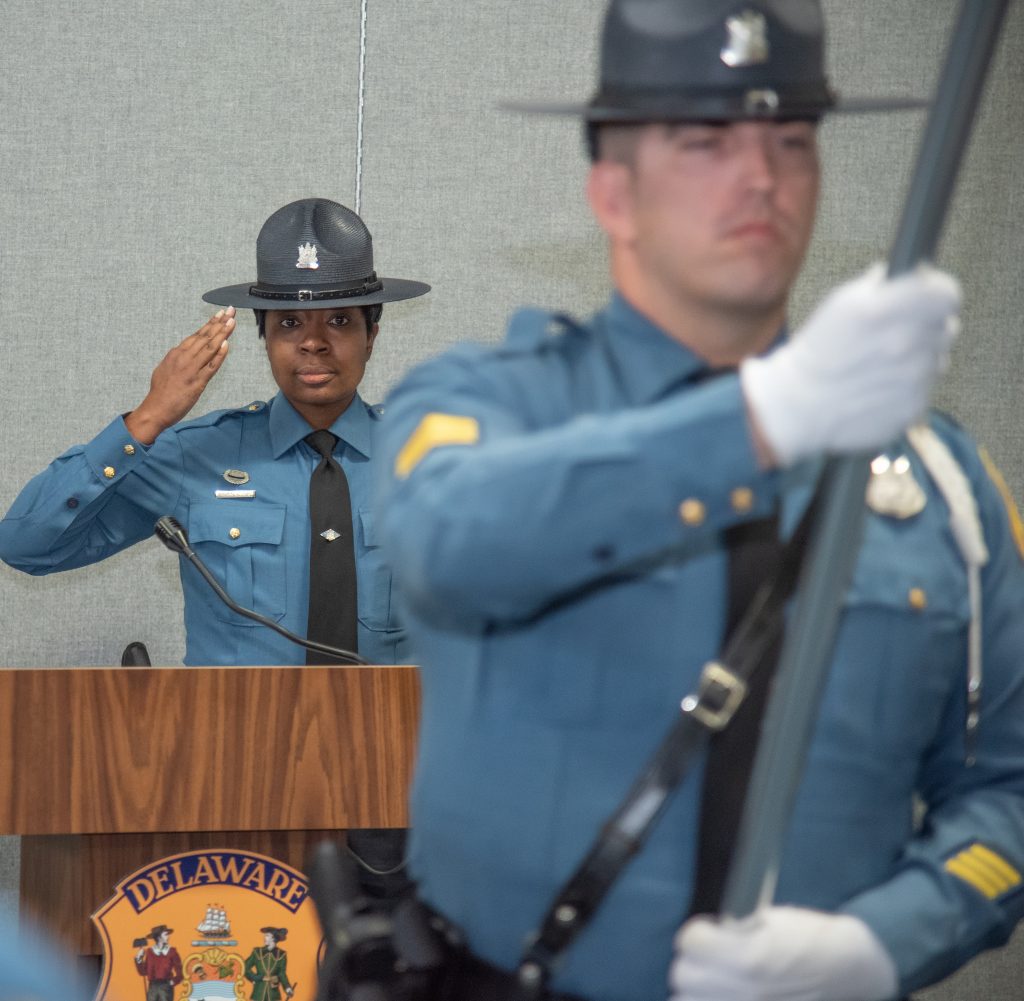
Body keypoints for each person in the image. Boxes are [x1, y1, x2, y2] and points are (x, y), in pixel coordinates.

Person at [374, 3, 1024, 1000]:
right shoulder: (490, 406)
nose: (759, 176)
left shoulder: (940, 484)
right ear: (613, 193)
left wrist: (885, 942)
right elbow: (448, 545)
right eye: (704, 141)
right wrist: (767, 416)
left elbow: (1006, 790)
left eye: (791, 141)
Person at [0, 197, 426, 893]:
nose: (313, 342)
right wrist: (145, 421)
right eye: (290, 322)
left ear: (373, 334)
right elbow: (26, 543)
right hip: (231, 788)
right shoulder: (195, 455)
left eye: (339, 321)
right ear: (261, 337)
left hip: (395, 795)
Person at [244, 927, 294, 1001]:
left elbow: (282, 974)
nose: (264, 938)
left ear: (273, 938)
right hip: (259, 992)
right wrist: (254, 978)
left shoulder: (282, 954)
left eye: (267, 935)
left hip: (273, 993)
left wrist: (287, 987)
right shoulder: (257, 952)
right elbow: (245, 967)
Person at [135, 925, 183, 1001]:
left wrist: (172, 982)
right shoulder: (149, 952)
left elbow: (180, 972)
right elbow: (143, 972)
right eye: (165, 934)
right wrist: (139, 959)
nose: (168, 937)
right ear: (159, 937)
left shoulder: (172, 952)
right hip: (152, 988)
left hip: (166, 987)